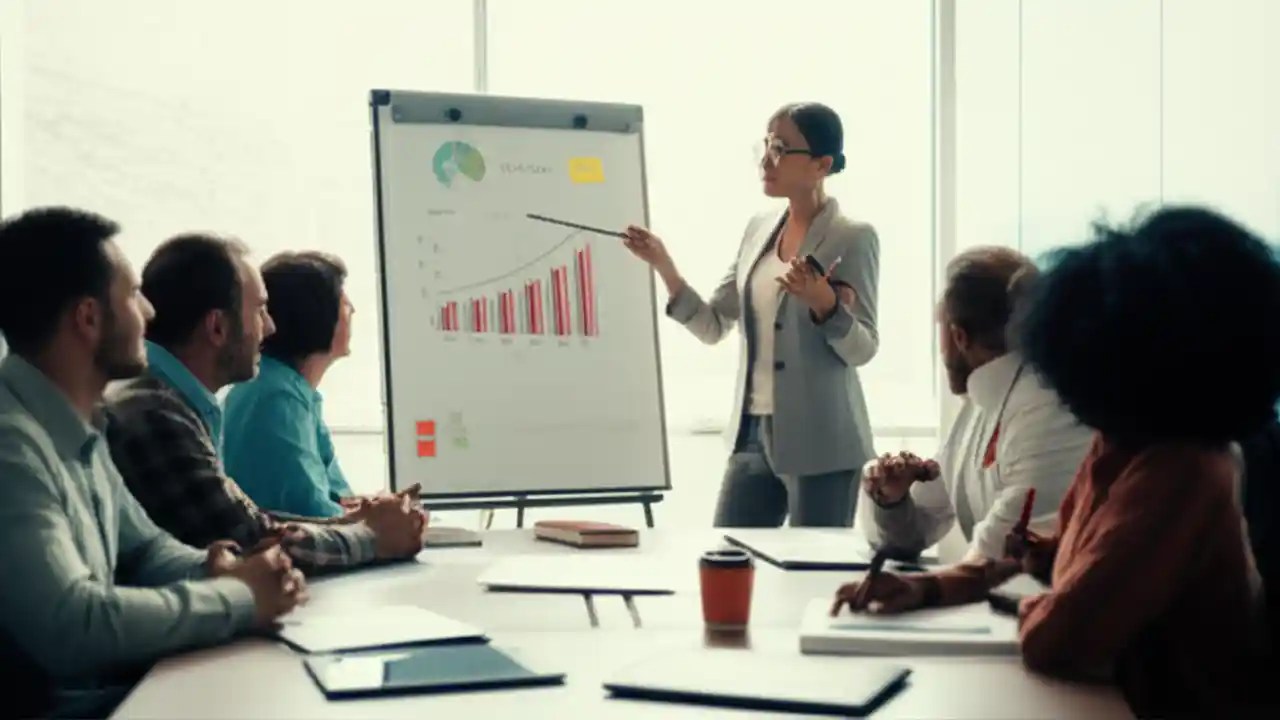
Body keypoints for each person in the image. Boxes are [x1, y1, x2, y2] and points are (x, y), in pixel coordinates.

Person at [831, 207, 1280, 717]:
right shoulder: (1120, 442)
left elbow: (1061, 637)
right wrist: (928, 588)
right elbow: (1040, 560)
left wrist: (1037, 591)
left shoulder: (1185, 471)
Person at [0, 208, 305, 718]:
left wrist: (217, 567)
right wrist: (238, 597)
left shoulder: (82, 427)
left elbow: (143, 550)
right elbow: (74, 625)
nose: (149, 312)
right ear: (89, 317)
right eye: (134, 294)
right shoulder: (11, 448)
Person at [105, 234, 426, 575]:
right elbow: (255, 543)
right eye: (259, 310)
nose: (270, 326)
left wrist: (356, 523)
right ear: (217, 327)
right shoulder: (155, 411)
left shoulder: (167, 399)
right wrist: (371, 537)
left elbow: (249, 520)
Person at [622, 102, 878, 527]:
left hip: (824, 441)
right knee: (726, 558)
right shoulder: (758, 229)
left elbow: (863, 348)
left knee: (810, 572)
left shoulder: (852, 237)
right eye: (765, 145)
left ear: (822, 164)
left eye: (780, 148)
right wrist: (664, 265)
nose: (766, 160)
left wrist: (825, 304)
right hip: (751, 436)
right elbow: (712, 326)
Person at [857, 247, 1093, 561]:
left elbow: (1000, 556)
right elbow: (913, 532)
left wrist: (922, 591)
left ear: (959, 337)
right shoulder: (977, 404)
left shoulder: (1050, 409)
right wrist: (892, 500)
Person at [222, 251, 361, 518]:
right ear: (315, 314)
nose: (352, 308)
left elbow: (340, 498)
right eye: (343, 301)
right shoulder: (277, 397)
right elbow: (313, 512)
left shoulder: (294, 390)